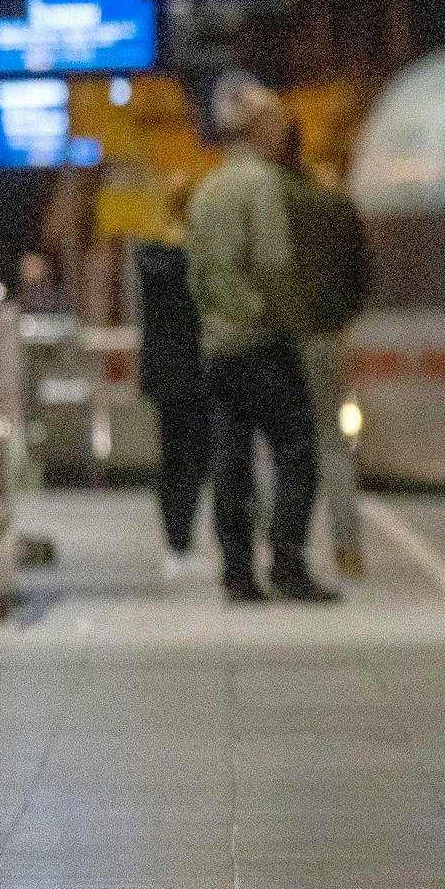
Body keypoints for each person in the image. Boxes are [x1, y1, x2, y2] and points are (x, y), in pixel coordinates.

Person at [183, 72, 334, 603]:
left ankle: (237, 571)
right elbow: (274, 263)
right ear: (258, 129)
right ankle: (288, 562)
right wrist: (299, 318)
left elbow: (195, 273)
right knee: (297, 452)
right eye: (274, 124)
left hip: (217, 347)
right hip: (263, 342)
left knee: (231, 458)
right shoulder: (262, 185)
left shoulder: (206, 190)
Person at [284, 113, 371, 581]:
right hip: (323, 338)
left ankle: (279, 547)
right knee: (333, 445)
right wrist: (336, 320)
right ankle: (347, 548)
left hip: (273, 338)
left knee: (273, 446)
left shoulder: (274, 201)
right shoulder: (335, 205)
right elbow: (362, 275)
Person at [130, 197, 211, 576]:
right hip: (195, 369)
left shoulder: (147, 260)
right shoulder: (197, 261)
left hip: (161, 372)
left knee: (169, 454)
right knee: (194, 457)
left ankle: (173, 532)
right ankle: (184, 529)